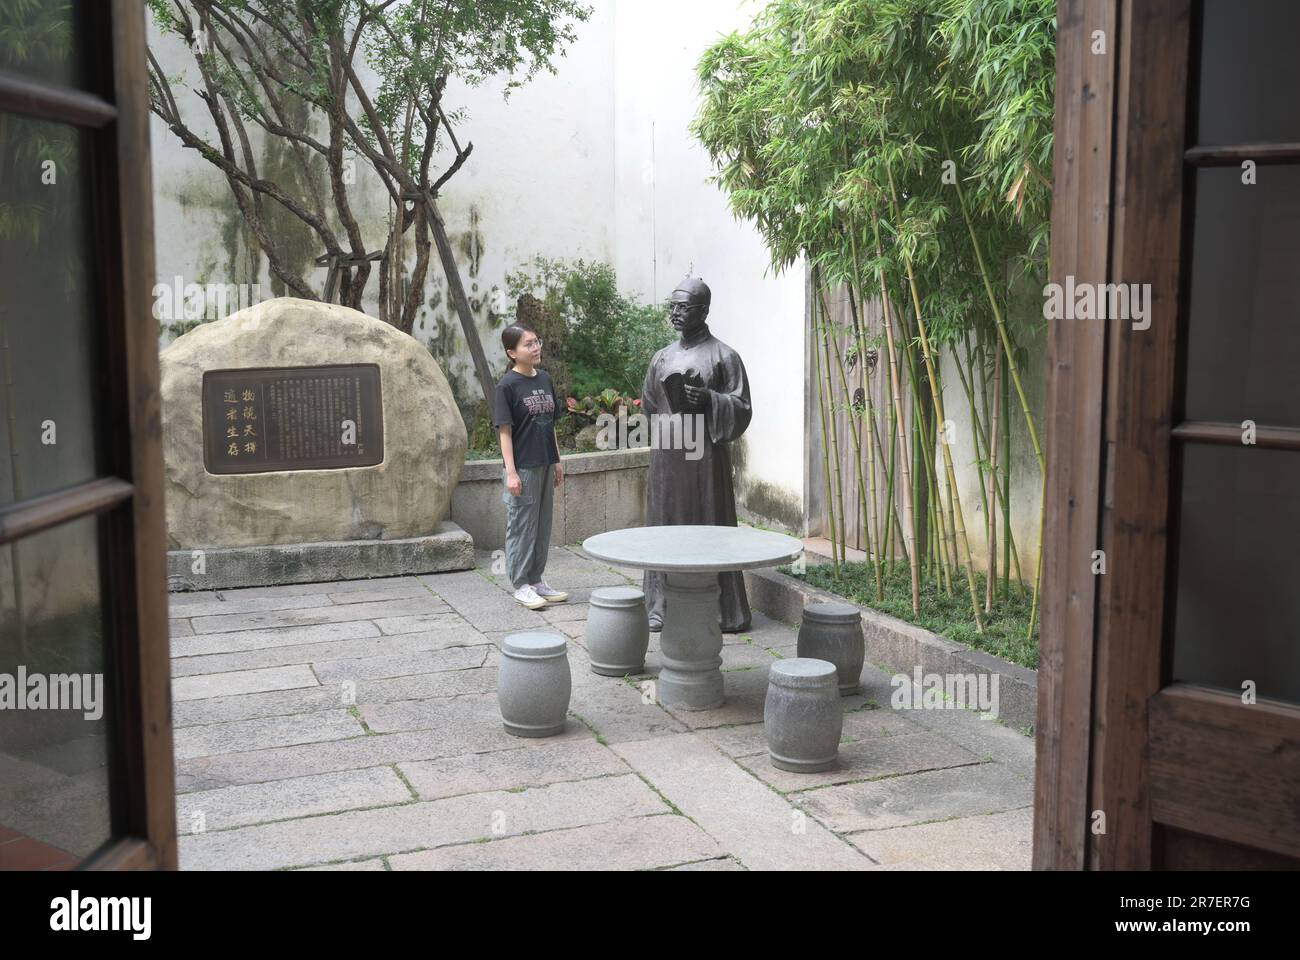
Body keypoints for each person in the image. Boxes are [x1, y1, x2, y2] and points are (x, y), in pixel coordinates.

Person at [641, 277, 753, 632]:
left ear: (703, 310)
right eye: (672, 306)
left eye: (683, 307)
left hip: (705, 458)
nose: (675, 313)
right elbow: (648, 404)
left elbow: (742, 407)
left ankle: (721, 608)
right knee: (665, 526)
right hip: (667, 457)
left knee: (708, 524)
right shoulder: (661, 357)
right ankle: (660, 605)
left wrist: (709, 400)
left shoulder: (725, 356)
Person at [494, 323, 568, 609]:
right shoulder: (507, 386)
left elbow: (550, 426)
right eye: (528, 344)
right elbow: (504, 431)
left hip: (546, 462)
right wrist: (511, 472)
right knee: (522, 526)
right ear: (512, 352)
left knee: (542, 525)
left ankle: (536, 580)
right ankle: (521, 584)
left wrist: (558, 460)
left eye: (536, 342)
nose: (535, 348)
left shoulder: (545, 379)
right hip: (522, 467)